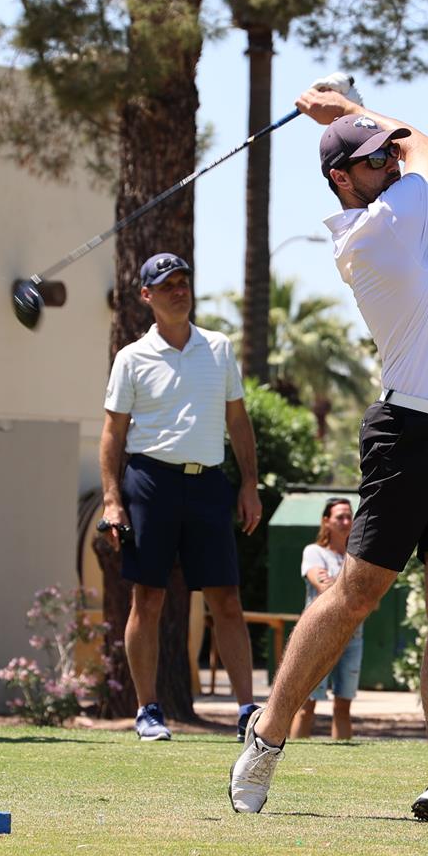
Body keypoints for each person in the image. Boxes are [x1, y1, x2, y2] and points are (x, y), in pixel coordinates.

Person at [230, 89, 428, 823]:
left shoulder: (398, 210)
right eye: (372, 160)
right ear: (343, 179)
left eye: (384, 157)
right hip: (409, 433)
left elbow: (406, 150)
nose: (389, 163)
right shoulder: (381, 229)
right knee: (358, 592)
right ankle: (268, 735)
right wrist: (352, 107)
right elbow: (425, 145)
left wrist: (354, 122)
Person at [99, 252, 263, 742]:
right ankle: (147, 710)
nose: (179, 290)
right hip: (149, 484)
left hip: (209, 483)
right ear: (146, 295)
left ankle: (247, 711)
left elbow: (238, 420)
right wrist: (112, 499)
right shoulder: (131, 357)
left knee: (226, 599)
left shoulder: (219, 347)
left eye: (183, 282)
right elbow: (112, 432)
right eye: (167, 284)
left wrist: (249, 484)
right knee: (147, 598)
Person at [294, 498, 363, 741]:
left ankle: (342, 758)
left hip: (353, 636)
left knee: (343, 706)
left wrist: (341, 587)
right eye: (339, 517)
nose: (346, 521)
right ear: (326, 521)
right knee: (307, 704)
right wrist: (353, 590)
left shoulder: (358, 557)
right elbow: (322, 585)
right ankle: (295, 754)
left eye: (349, 516)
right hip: (318, 636)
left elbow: (371, 599)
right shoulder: (314, 552)